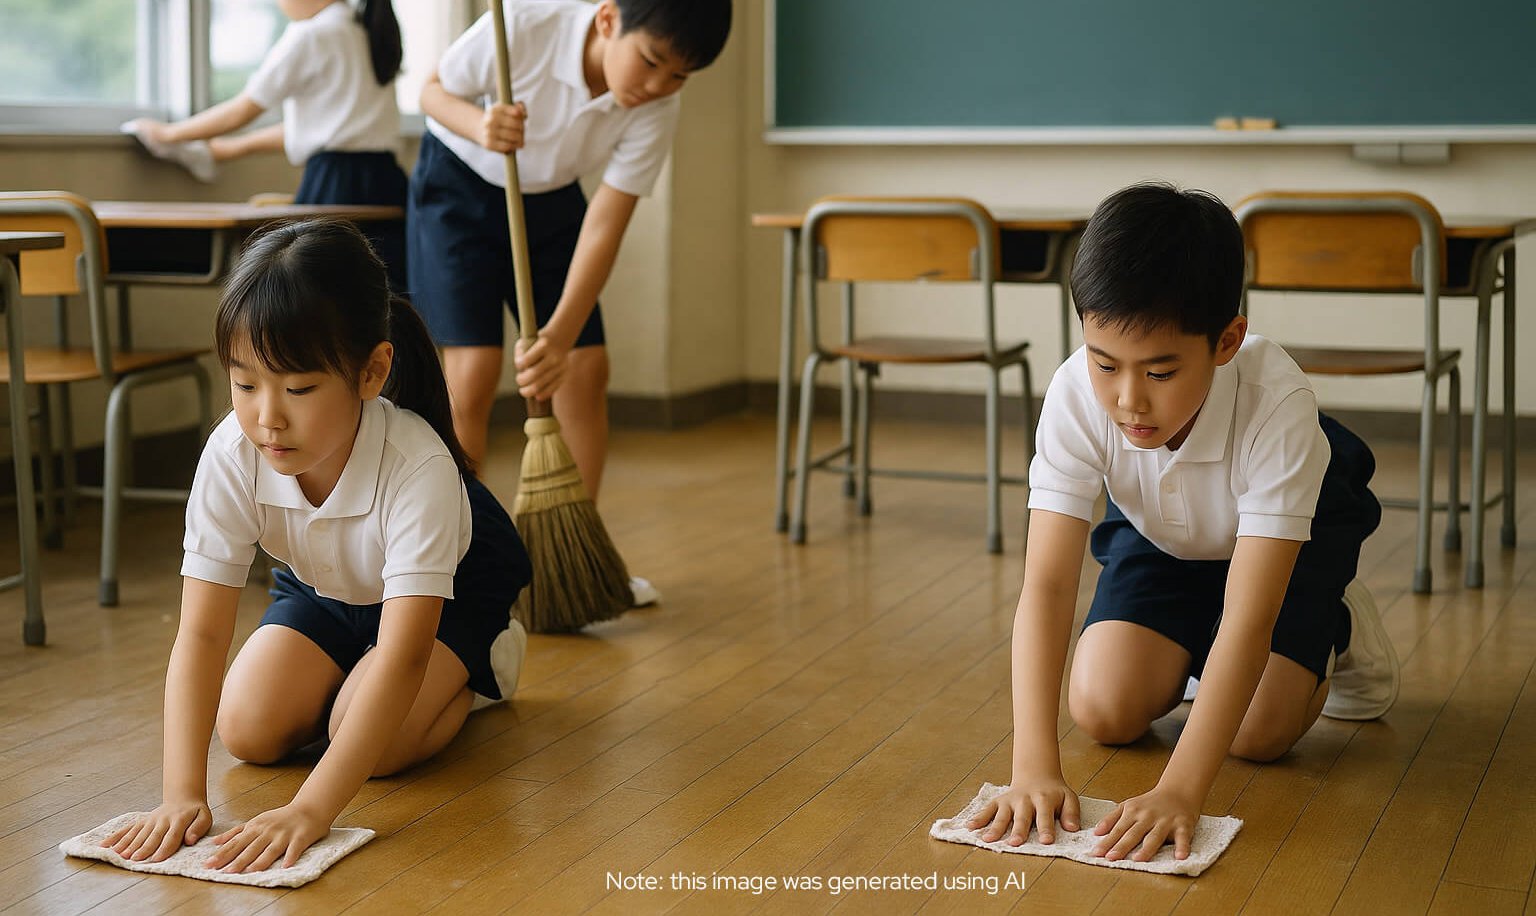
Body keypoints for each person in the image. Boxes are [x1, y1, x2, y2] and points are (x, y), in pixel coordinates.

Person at [968, 183, 1396, 863]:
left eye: (1161, 371)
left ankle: (1338, 621)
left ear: (1227, 340)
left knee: (1258, 735)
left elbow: (1251, 618)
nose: (1128, 399)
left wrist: (1180, 790)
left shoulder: (1276, 402)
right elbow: (1046, 586)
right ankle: (1197, 651)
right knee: (1103, 711)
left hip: (1284, 535)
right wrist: (1032, 769)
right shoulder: (1078, 395)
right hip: (1162, 530)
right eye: (1105, 364)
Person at [102, 219, 530, 874]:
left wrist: (311, 809)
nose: (267, 417)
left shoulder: (418, 465)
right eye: (245, 385)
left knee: (374, 747)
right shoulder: (232, 453)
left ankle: (482, 668)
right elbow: (201, 635)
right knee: (246, 728)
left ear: (372, 372)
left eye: (298, 388)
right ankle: (345, 677)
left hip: (448, 594)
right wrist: (181, 795)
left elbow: (404, 652)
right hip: (326, 584)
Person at [410, 0, 732, 605]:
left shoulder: (657, 104)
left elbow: (606, 223)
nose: (658, 85)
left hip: (553, 201)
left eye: (679, 76)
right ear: (609, 21)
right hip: (457, 185)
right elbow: (431, 92)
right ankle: (452, 573)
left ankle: (569, 565)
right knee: (472, 372)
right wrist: (478, 124)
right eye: (652, 61)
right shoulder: (527, 25)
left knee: (583, 370)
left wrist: (559, 337)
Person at [123, 0, 409, 292]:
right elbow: (325, 127)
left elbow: (245, 109)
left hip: (336, 184)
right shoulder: (365, 30)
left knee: (324, 298)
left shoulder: (311, 34)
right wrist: (224, 151)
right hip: (386, 181)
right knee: (380, 299)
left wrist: (170, 134)